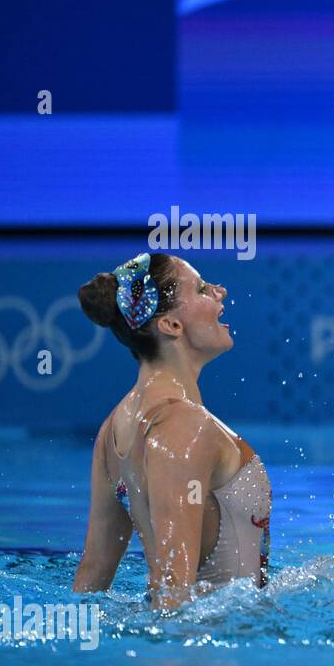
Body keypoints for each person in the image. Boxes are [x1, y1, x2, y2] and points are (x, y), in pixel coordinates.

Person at [73, 253, 270, 609]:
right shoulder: (185, 427)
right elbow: (173, 592)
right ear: (171, 326)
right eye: (202, 289)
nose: (220, 293)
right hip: (218, 651)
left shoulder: (114, 429)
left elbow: (91, 578)